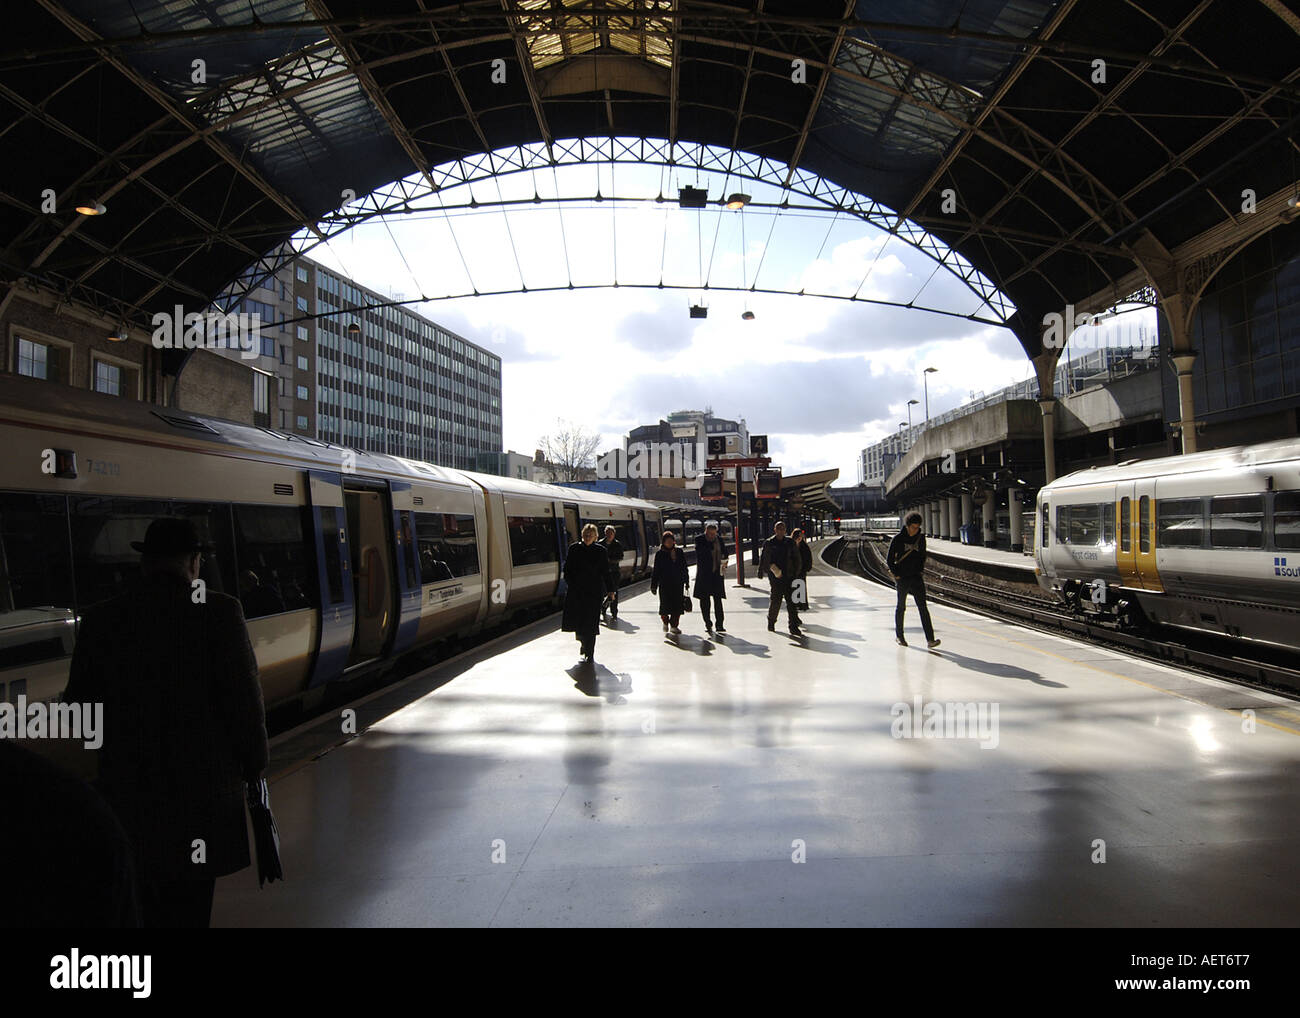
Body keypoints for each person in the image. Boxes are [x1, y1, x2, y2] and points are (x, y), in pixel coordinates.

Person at [63, 517, 269, 928]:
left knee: (143, 897)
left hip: (130, 792)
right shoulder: (221, 612)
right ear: (194, 562)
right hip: (203, 796)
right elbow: (245, 706)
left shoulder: (104, 620)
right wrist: (254, 766)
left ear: (145, 563)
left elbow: (79, 707)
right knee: (192, 899)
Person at [888, 512, 941, 648]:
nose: (915, 530)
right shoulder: (898, 539)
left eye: (917, 528)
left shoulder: (920, 538)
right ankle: (899, 636)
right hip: (902, 577)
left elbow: (923, 556)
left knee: (923, 608)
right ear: (907, 525)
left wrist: (920, 570)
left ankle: (930, 640)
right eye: (913, 527)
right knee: (901, 607)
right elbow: (889, 559)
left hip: (916, 577)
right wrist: (896, 574)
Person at [562, 523, 608, 663]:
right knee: (580, 622)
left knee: (592, 623)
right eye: (586, 535)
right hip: (577, 592)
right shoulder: (574, 549)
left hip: (594, 593)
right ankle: (583, 642)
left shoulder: (601, 551)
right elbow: (567, 569)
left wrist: (611, 590)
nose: (588, 537)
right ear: (582, 535)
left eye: (591, 535)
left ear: (595, 537)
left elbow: (605, 572)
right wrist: (572, 583)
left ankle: (590, 652)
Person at [759, 521, 802, 636]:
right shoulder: (769, 543)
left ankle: (793, 626)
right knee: (776, 600)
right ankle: (771, 621)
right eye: (778, 528)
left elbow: (796, 557)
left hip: (789, 576)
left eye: (782, 528)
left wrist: (796, 572)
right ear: (775, 530)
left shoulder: (790, 542)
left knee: (791, 602)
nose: (780, 531)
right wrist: (763, 570)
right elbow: (764, 558)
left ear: (785, 530)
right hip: (775, 577)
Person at [650, 530, 690, 634]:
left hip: (678, 583)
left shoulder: (679, 552)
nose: (669, 543)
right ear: (663, 542)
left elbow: (684, 567)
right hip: (664, 584)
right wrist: (653, 585)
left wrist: (686, 581)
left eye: (671, 540)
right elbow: (656, 570)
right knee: (664, 605)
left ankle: (674, 626)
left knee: (677, 606)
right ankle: (665, 622)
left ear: (674, 541)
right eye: (667, 541)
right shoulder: (659, 554)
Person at [693, 522, 728, 634]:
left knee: (718, 600)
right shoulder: (699, 540)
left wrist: (725, 561)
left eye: (713, 534)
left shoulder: (719, 540)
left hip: (717, 575)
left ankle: (720, 625)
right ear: (705, 532)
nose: (712, 536)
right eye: (709, 534)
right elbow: (701, 553)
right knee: (705, 601)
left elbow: (725, 553)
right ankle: (708, 623)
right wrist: (711, 546)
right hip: (704, 575)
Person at [600, 525, 624, 622]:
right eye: (607, 533)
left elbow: (621, 557)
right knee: (603, 591)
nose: (609, 535)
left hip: (614, 572)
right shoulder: (600, 543)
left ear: (614, 534)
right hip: (603, 573)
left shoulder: (617, 544)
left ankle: (614, 612)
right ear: (605, 533)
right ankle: (604, 608)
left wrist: (611, 560)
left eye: (611, 533)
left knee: (614, 592)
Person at [790, 528, 813, 612]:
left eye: (800, 536)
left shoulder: (804, 546)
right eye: (798, 536)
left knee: (801, 586)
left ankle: (803, 604)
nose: (799, 538)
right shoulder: (790, 545)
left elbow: (808, 557)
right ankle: (795, 604)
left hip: (802, 570)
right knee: (793, 587)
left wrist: (807, 567)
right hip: (792, 570)